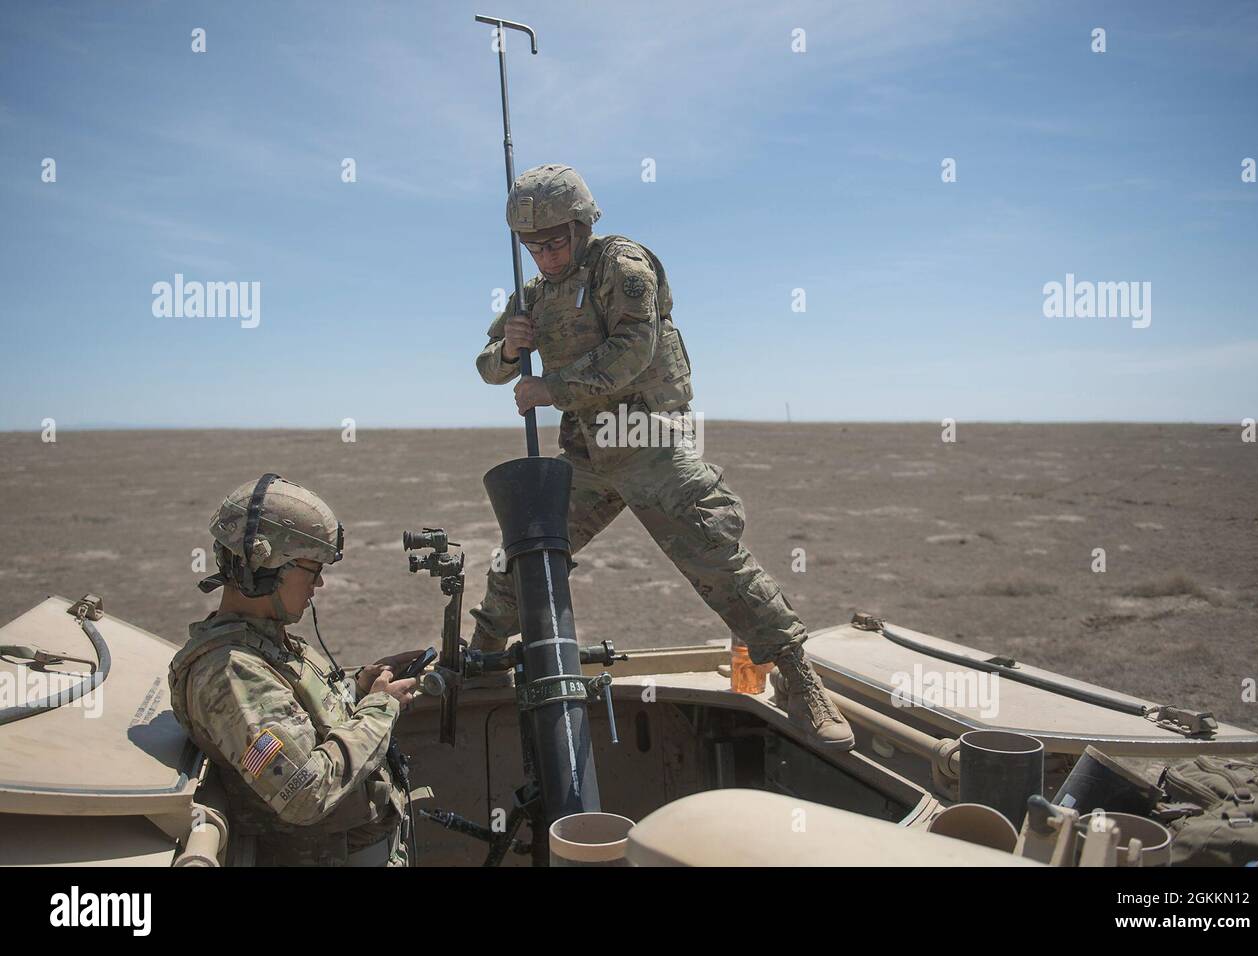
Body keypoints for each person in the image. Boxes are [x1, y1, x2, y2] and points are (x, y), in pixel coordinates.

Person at [470, 163, 854, 752]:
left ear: (581, 225)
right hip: (588, 453)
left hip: (648, 441)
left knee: (715, 554)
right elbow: (487, 367)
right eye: (531, 246)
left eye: (553, 242)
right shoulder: (534, 296)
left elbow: (633, 349)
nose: (544, 256)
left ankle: (799, 678)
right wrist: (510, 349)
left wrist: (550, 387)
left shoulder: (621, 265)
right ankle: (482, 656)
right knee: (529, 548)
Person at [168, 474, 430, 866]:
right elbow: (305, 791)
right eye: (312, 569)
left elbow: (301, 714)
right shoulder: (231, 675)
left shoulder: (261, 641)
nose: (319, 583)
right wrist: (380, 708)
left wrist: (359, 687)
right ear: (267, 568)